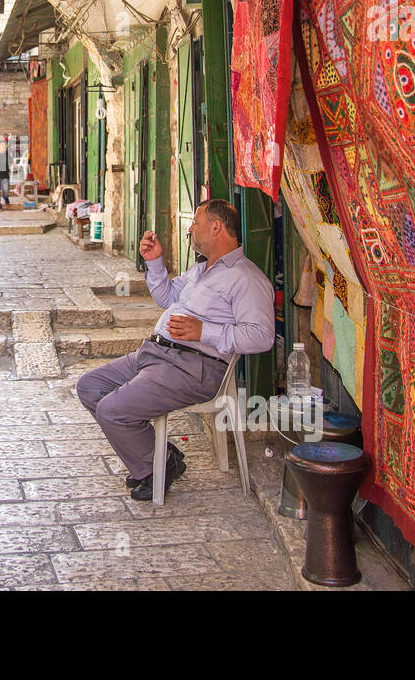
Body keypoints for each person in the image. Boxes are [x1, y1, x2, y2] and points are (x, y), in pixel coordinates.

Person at [76, 200, 274, 501]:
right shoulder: (200, 269)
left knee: (112, 410)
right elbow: (168, 298)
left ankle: (155, 466)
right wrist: (155, 263)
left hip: (193, 368)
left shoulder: (247, 278)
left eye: (196, 222)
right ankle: (158, 457)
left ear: (216, 227)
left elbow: (262, 337)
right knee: (89, 387)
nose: (190, 228)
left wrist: (205, 332)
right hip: (155, 354)